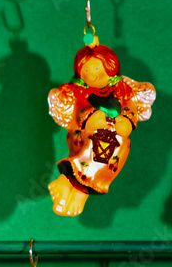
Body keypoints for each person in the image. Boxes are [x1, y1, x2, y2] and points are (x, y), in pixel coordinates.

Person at [47, 41, 155, 216]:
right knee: (87, 154)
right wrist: (90, 117)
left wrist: (127, 120)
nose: (92, 75)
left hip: (117, 141)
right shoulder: (80, 93)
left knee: (107, 165)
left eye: (96, 69)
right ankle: (70, 184)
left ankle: (75, 190)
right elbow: (78, 112)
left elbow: (129, 107)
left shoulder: (122, 90)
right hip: (88, 136)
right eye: (86, 70)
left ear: (109, 68)